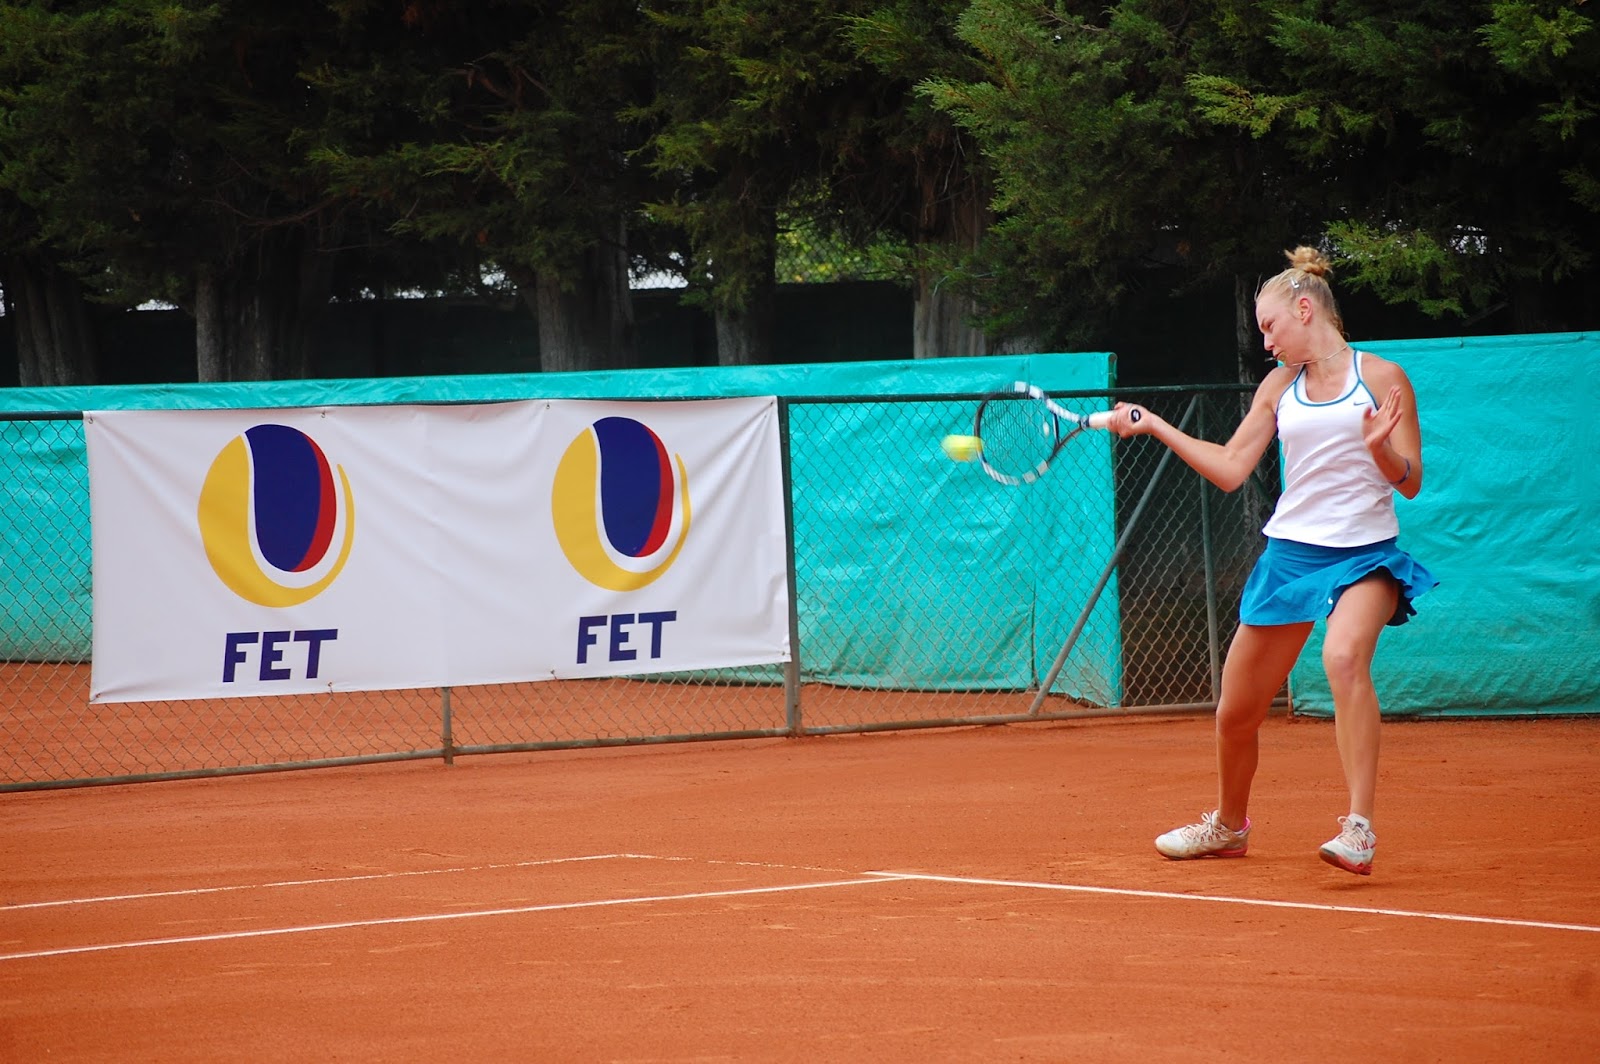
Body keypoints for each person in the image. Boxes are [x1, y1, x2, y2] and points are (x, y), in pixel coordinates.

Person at [1104, 246, 1437, 876]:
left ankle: (1359, 829)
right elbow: (1232, 469)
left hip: (1364, 555)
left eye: (1269, 326)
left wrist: (1379, 453)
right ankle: (1229, 826)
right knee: (1236, 713)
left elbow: (1411, 479)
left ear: (1305, 309)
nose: (1266, 341)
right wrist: (1156, 427)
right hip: (1289, 556)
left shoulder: (1385, 377)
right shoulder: (1279, 386)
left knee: (1343, 657)